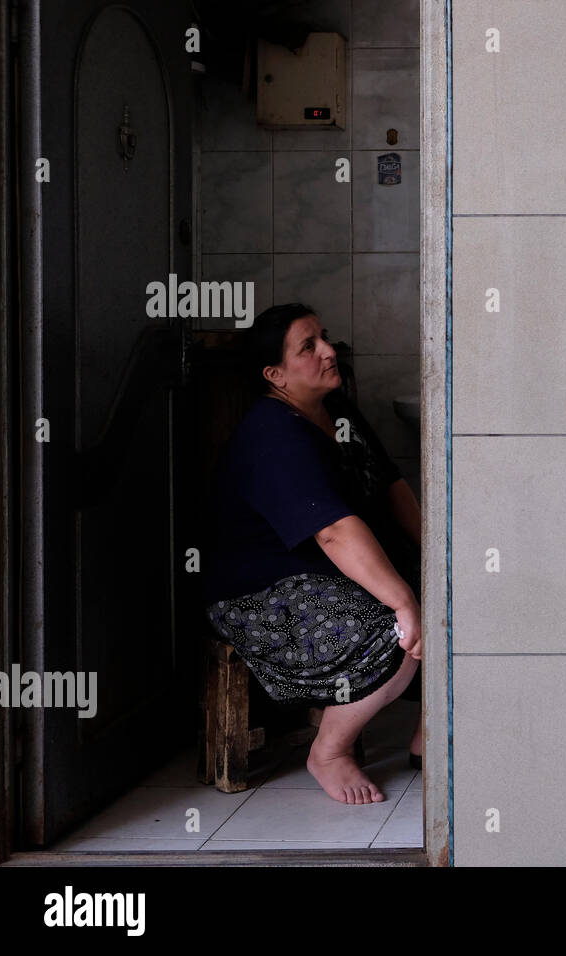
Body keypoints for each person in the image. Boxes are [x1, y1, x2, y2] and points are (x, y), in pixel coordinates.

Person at [202, 303, 423, 805]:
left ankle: (429, 737)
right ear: (275, 375)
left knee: (457, 591)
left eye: (323, 337)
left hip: (328, 570)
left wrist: (436, 561)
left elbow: (390, 485)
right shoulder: (273, 433)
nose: (329, 351)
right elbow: (333, 532)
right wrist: (404, 600)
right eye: (309, 346)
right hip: (261, 590)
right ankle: (329, 751)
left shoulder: (337, 409)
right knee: (394, 628)